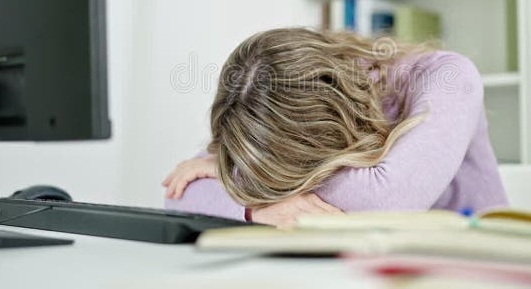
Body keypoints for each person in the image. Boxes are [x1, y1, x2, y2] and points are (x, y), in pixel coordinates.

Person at [162, 28, 507, 226]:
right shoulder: (269, 104)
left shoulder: (449, 77)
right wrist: (257, 209)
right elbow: (178, 196)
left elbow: (386, 201)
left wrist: (231, 175)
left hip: (476, 261)